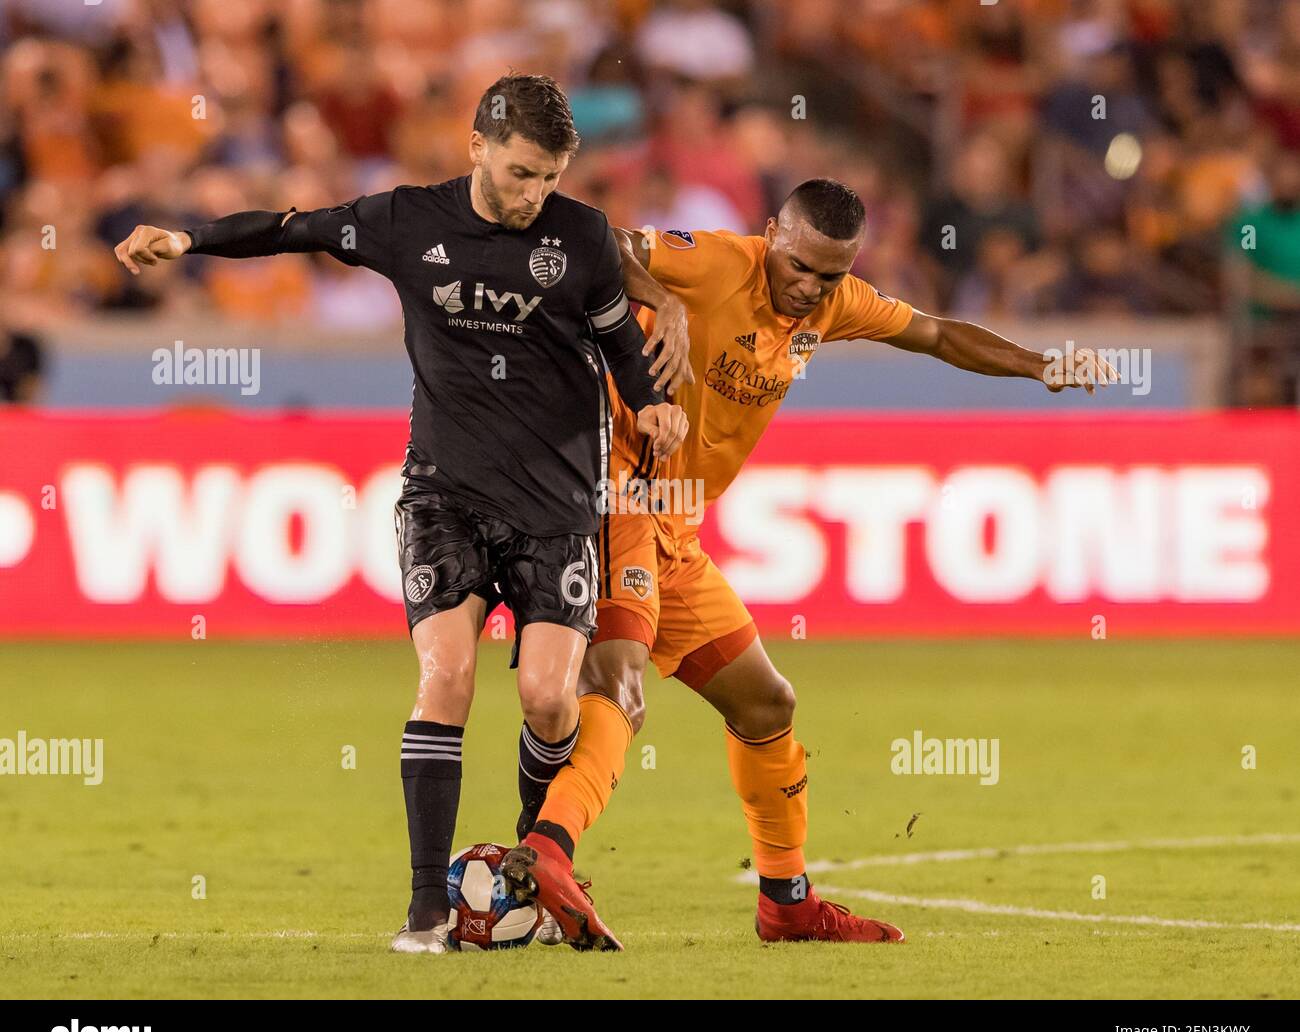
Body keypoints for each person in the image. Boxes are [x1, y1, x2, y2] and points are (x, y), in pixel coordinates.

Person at [114, 74, 689, 955]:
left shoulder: (583, 237)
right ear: (477, 146)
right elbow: (289, 228)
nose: (536, 193)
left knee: (547, 694)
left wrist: (651, 402)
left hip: (557, 502)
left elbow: (620, 341)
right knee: (446, 676)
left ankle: (538, 873)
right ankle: (427, 907)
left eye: (551, 176)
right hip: (444, 496)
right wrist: (186, 236)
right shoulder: (406, 220)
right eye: (523, 171)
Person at [509, 178, 1114, 944]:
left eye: (830, 275)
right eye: (798, 266)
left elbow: (934, 332)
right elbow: (605, 239)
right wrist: (659, 299)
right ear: (772, 235)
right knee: (618, 682)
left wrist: (1038, 365)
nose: (809, 288)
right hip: (616, 490)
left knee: (767, 705)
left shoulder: (833, 304)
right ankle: (548, 849)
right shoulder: (718, 261)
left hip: (676, 529)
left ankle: (786, 902)